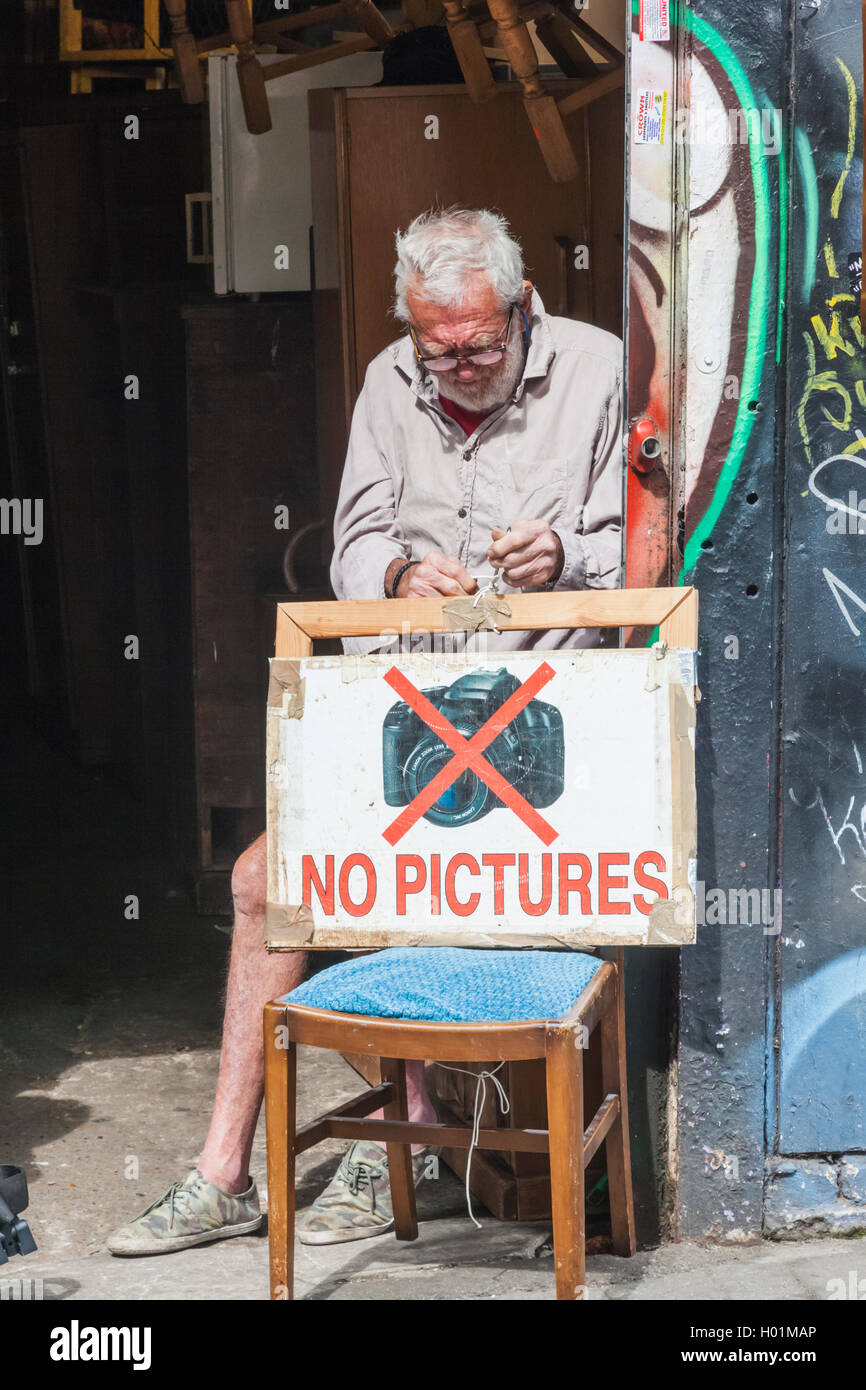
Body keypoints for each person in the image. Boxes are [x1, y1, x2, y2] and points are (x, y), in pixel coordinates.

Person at [108, 206, 623, 1256]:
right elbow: (350, 550)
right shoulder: (394, 380)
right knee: (262, 882)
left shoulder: (597, 369)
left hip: (547, 728)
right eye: (439, 352)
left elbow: (642, 551)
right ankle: (223, 1174)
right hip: (411, 713)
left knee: (425, 863)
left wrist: (563, 554)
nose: (461, 369)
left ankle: (415, 1136)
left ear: (523, 306)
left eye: (481, 346)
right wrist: (395, 575)